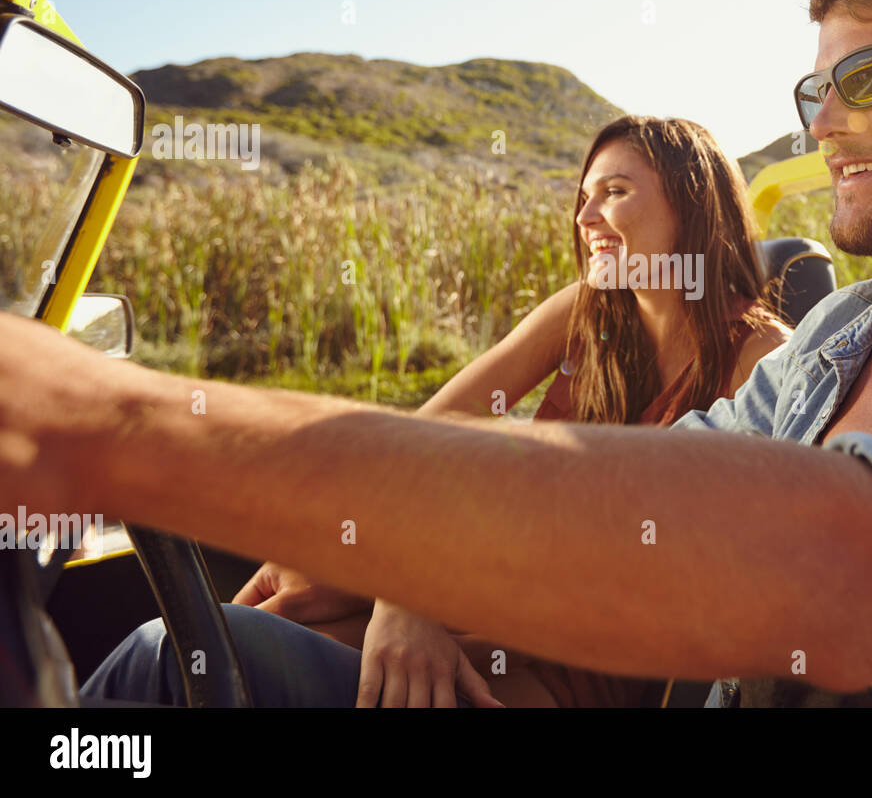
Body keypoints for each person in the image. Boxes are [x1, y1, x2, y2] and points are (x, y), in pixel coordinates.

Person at [5, 0, 872, 708]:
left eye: (870, 76)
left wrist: (115, 426)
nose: (831, 120)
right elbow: (616, 489)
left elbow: (863, 566)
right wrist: (403, 566)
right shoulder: (836, 354)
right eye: (814, 95)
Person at [78, 115, 789, 708]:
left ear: (691, 203)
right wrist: (401, 592)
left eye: (615, 191)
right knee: (295, 578)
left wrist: (424, 599)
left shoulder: (762, 360)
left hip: (574, 667)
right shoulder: (584, 314)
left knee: (170, 657)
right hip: (494, 608)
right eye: (583, 195)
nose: (586, 217)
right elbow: (417, 439)